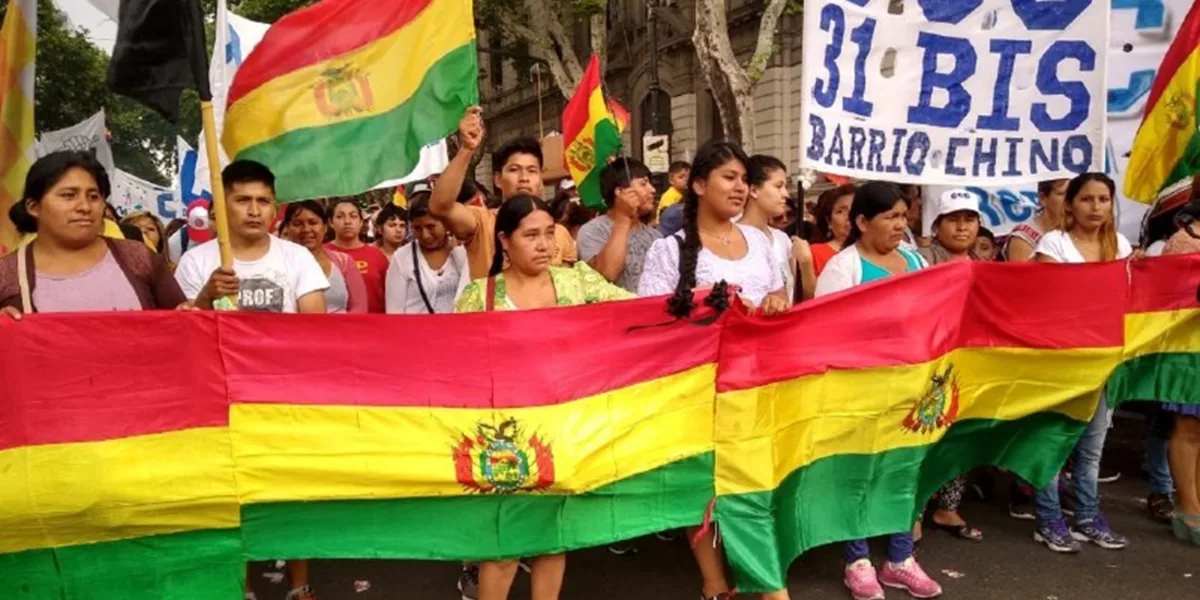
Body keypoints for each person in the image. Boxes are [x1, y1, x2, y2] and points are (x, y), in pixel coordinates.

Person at [454, 195, 631, 600]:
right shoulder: (477, 297)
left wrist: (704, 302)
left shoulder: (577, 281)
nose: (544, 245)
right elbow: (456, 368)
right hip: (502, 438)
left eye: (549, 233)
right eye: (530, 235)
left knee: (553, 537)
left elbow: (636, 311)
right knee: (503, 545)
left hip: (563, 428)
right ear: (504, 241)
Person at [638, 140, 789, 600]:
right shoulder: (669, 251)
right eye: (729, 177)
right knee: (700, 486)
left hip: (755, 385)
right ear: (699, 185)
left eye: (745, 179)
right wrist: (709, 315)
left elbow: (780, 299)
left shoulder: (762, 244)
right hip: (696, 389)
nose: (740, 187)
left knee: (752, 488)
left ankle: (766, 583)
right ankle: (715, 584)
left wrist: (775, 305)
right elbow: (651, 324)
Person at [814, 181, 941, 600]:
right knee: (860, 477)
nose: (899, 226)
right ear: (862, 222)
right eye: (890, 217)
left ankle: (900, 559)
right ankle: (858, 560)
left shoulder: (915, 260)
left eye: (903, 217)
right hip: (861, 392)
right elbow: (825, 333)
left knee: (906, 474)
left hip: (915, 391)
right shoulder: (843, 268)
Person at [1030, 172, 1132, 553]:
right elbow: (1044, 300)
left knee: (1092, 449)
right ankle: (1048, 519)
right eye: (1087, 199)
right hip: (1061, 361)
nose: (1096, 207)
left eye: (1104, 199)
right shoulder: (1053, 244)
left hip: (1103, 359)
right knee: (1053, 442)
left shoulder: (1119, 244)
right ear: (1070, 204)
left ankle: (1088, 517)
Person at [0, 151, 187, 316]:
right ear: (33, 207)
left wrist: (200, 304)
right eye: (68, 195)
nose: (84, 207)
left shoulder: (139, 258)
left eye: (93, 197)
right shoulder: (6, 274)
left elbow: (183, 327)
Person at [430, 107, 577, 280]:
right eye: (514, 170)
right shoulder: (481, 222)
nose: (524, 178)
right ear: (497, 180)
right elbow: (439, 206)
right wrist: (467, 149)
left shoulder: (560, 233)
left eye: (532, 170)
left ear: (541, 181)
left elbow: (569, 298)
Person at [175, 160, 328, 315]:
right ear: (221, 206)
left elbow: (315, 327)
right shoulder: (193, 262)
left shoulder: (299, 257)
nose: (254, 211)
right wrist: (207, 296)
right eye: (243, 200)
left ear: (274, 209)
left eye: (263, 201)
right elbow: (189, 330)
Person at [1163, 199, 1200, 545]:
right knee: (1188, 428)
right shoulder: (1183, 241)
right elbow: (1164, 298)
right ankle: (1187, 508)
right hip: (1189, 350)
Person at [575, 157, 662, 293]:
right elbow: (607, 273)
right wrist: (623, 218)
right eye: (643, 184)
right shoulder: (592, 231)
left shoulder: (655, 236)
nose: (652, 190)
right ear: (620, 192)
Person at [742, 154, 813, 302]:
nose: (785, 194)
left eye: (785, 187)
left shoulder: (782, 239)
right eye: (778, 186)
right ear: (754, 190)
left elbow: (805, 298)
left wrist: (806, 263)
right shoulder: (734, 237)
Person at [386, 192, 470, 314]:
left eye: (431, 227)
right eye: (417, 228)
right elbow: (394, 311)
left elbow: (470, 292)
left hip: (457, 330)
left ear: (446, 223)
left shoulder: (463, 252)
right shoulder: (402, 258)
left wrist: (457, 253)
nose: (425, 235)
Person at [284, 201, 368, 314]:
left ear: (325, 227)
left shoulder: (343, 261)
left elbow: (359, 307)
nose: (306, 229)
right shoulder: (279, 263)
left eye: (313, 222)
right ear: (288, 228)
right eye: (298, 223)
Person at [327, 198, 389, 313]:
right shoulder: (322, 254)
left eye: (353, 216)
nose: (347, 221)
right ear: (331, 222)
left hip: (373, 326)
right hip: (334, 326)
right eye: (340, 216)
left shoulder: (376, 255)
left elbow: (389, 296)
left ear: (361, 222)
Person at [1006, 179, 1067, 261]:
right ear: (1042, 198)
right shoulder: (1023, 238)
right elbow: (1022, 273)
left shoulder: (1079, 230)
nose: (1069, 199)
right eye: (1062, 194)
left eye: (1072, 193)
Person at [917, 189, 981, 265]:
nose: (962, 227)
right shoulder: (922, 259)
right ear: (936, 226)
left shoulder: (979, 262)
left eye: (969, 220)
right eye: (953, 220)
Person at [809, 184, 855, 277]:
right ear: (829, 221)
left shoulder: (879, 249)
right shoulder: (815, 252)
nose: (849, 215)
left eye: (855, 208)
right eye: (840, 211)